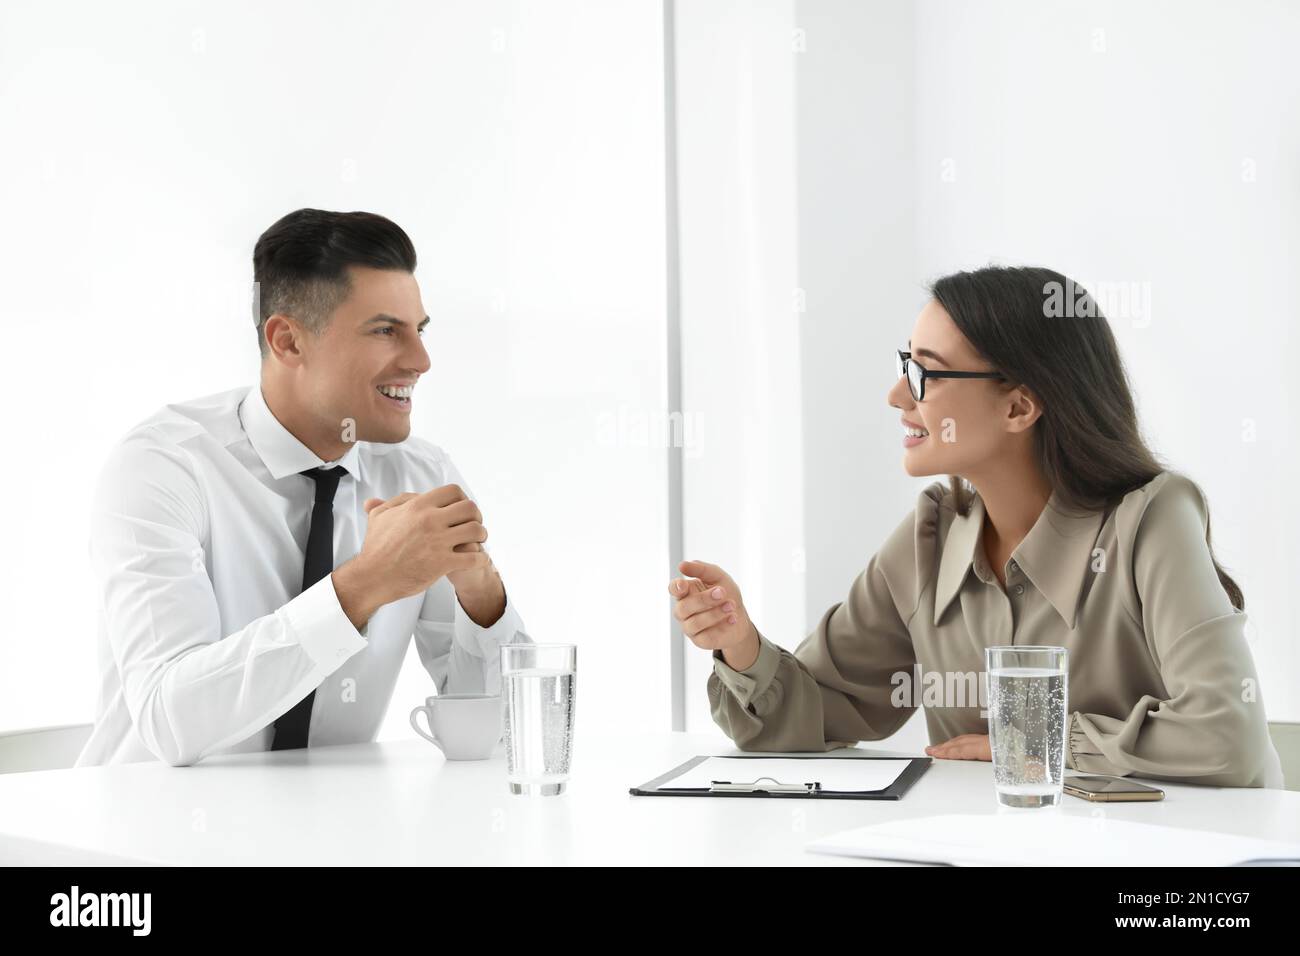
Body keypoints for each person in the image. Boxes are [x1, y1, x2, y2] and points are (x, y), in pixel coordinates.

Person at [669, 265, 1283, 788]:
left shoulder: (1152, 519)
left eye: (926, 373)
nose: (897, 395)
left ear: (1018, 406)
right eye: (906, 365)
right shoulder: (930, 538)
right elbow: (819, 713)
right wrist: (741, 644)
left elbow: (1226, 736)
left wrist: (1037, 744)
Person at [77, 208, 529, 767]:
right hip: (145, 818)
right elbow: (169, 720)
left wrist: (483, 599)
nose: (421, 361)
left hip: (328, 818)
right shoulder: (164, 467)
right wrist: (363, 585)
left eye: (421, 330)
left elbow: (499, 737)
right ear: (288, 341)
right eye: (385, 330)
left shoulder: (422, 474)